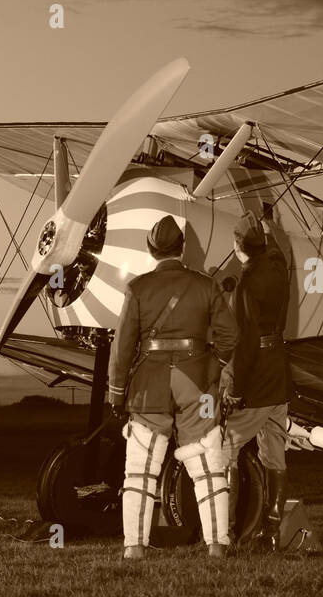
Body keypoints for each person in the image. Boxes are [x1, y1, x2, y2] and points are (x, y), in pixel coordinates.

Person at [107, 216, 238, 560]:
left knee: (139, 469)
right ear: (182, 248)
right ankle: (217, 544)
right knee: (208, 465)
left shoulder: (137, 288)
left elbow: (122, 347)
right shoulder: (206, 285)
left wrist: (116, 392)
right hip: (197, 385)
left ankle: (134, 546)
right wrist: (212, 367)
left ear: (151, 250)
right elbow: (230, 335)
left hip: (149, 386)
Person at [207, 212, 293, 550]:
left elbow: (245, 345)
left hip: (256, 379)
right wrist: (265, 228)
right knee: (275, 456)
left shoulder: (246, 285)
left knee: (226, 450)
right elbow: (277, 249)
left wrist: (236, 390)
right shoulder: (278, 268)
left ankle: (225, 535)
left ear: (238, 245)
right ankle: (271, 533)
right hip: (279, 374)